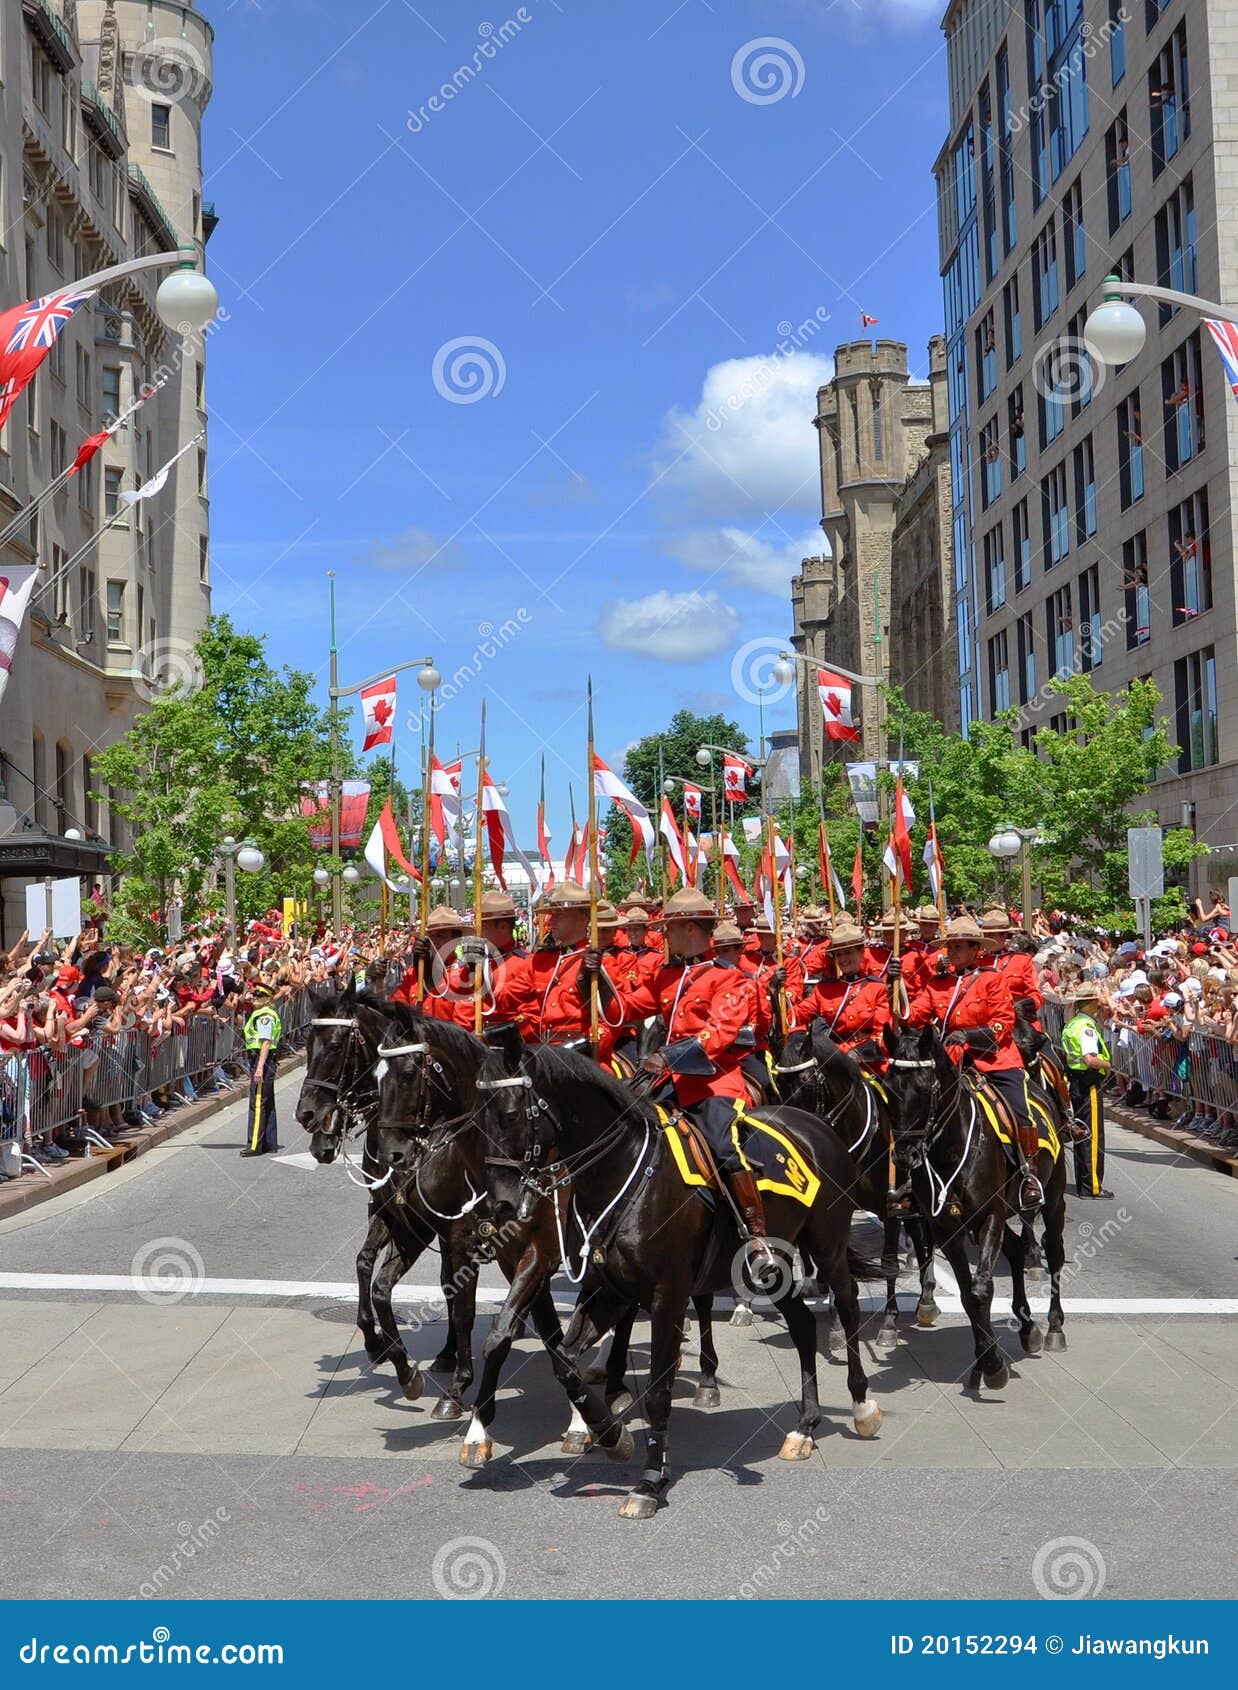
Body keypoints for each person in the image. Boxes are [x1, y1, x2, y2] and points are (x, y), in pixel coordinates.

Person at [641, 887, 775, 1269]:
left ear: (688, 928)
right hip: (667, 1084)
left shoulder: (727, 978)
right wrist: (593, 979)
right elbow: (627, 1006)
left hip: (715, 1083)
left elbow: (719, 1034)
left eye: (669, 927)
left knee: (723, 1144)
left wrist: (670, 1054)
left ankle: (757, 1236)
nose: (663, 934)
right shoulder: (667, 976)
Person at [898, 915, 1043, 1212]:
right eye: (950, 947)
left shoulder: (991, 979)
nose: (953, 952)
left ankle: (1029, 1175)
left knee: (1018, 1110)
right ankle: (916, 1181)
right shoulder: (939, 984)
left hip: (992, 1060)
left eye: (960, 947)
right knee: (919, 1112)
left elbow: (1004, 1024)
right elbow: (911, 1017)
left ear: (976, 949)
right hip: (952, 1064)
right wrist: (895, 985)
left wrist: (970, 1035)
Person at [497, 882, 625, 1059]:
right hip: (545, 1053)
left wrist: (590, 1047)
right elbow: (504, 999)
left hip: (583, 1056)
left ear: (582, 917)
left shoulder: (601, 963)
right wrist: (478, 975)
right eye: (552, 914)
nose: (551, 920)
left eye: (559, 914)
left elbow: (612, 1019)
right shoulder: (541, 961)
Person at [793, 919, 892, 1069]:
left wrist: (858, 1053)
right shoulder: (825, 989)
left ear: (861, 951)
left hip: (868, 1062)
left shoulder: (876, 988)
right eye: (838, 955)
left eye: (848, 953)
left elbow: (882, 1034)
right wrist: (775, 994)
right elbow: (795, 1017)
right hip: (832, 1060)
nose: (843, 959)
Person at [1061, 982, 1114, 1199]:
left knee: (1083, 1133)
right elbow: (1090, 1059)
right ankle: (1091, 1186)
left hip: (1076, 1081)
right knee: (1092, 1135)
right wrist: (1108, 1065)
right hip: (1088, 1082)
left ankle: (1086, 1182)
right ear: (1091, 1003)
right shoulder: (1087, 1028)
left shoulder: (1073, 1023)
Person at [979, 908, 1044, 1021]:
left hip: (1016, 1021)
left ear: (1005, 936)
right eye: (988, 935)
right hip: (985, 1022)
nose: (993, 938)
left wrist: (1023, 1006)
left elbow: (1036, 995)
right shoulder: (976, 961)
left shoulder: (1022, 960)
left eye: (999, 934)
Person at [240, 982, 281, 1158]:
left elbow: (265, 1042)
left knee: (257, 1103)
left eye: (258, 996)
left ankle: (255, 1144)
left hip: (262, 1060)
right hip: (263, 1060)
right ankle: (269, 1142)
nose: (254, 997)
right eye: (254, 994)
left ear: (267, 999)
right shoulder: (260, 1012)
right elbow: (243, 1000)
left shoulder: (264, 1015)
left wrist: (259, 1068)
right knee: (267, 1102)